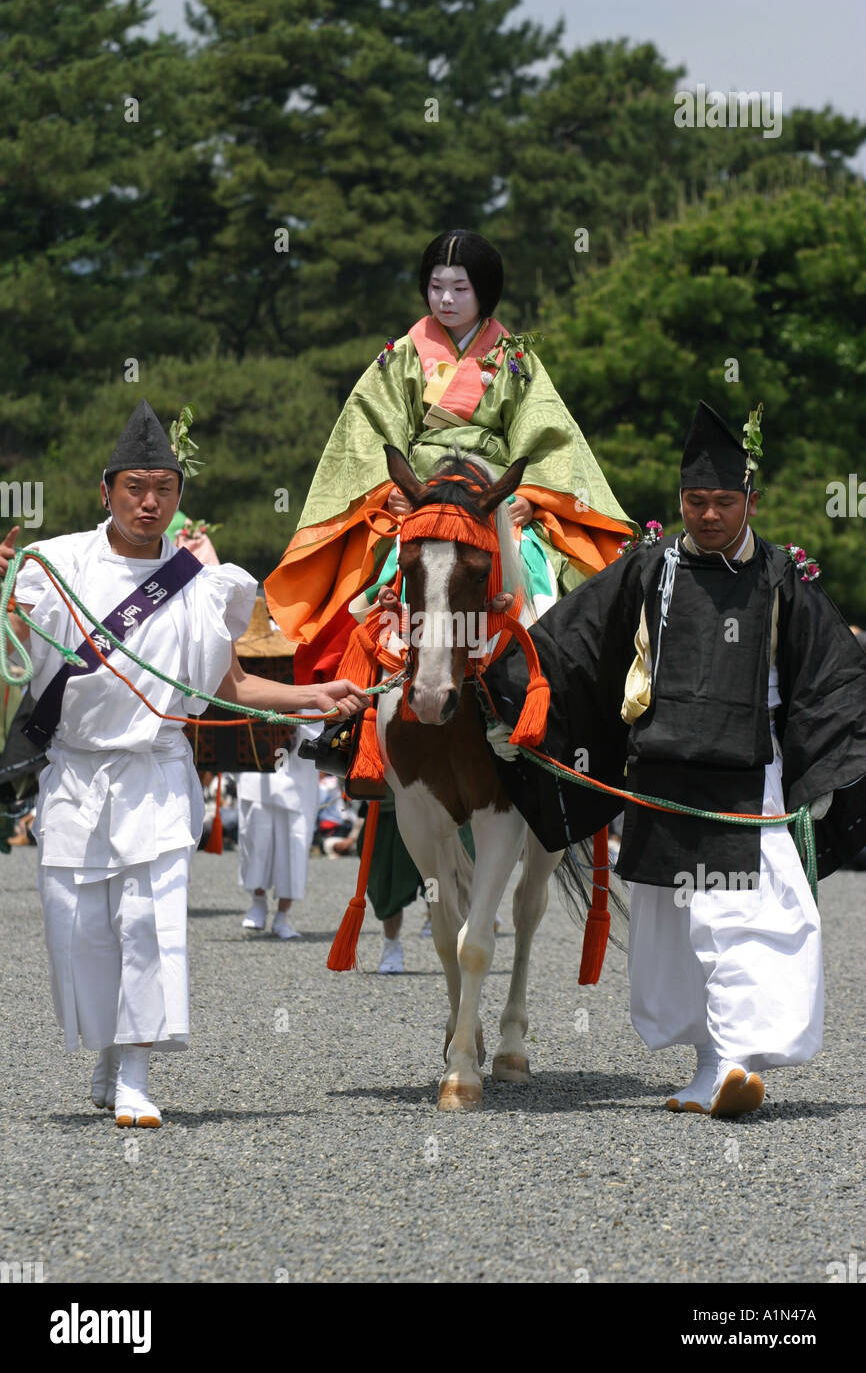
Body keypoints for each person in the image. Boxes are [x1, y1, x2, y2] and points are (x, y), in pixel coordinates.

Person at [264, 229, 632, 973]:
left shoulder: (515, 361)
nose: (444, 297)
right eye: (435, 284)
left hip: (495, 508)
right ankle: (354, 724)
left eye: (458, 287)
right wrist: (398, 499)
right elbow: (365, 442)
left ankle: (554, 717)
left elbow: (551, 444)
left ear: (484, 293)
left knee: (543, 603)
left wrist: (527, 498)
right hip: (421, 503)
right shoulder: (399, 358)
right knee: (375, 601)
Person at [484, 400, 866, 1117]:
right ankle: (708, 1069)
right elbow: (574, 643)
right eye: (696, 501)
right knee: (676, 932)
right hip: (661, 777)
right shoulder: (650, 570)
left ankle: (735, 1061)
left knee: (747, 920)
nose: (710, 515)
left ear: (751, 500)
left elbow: (834, 675)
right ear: (680, 500)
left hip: (750, 779)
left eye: (724, 501)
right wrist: (517, 699)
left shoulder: (785, 578)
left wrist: (823, 771)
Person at [0, 399, 368, 1129]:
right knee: (78, 926)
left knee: (149, 924)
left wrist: (311, 694)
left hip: (156, 775)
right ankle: (107, 1050)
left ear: (178, 494)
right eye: (134, 487)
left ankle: (134, 1074)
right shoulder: (55, 565)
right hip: (75, 774)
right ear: (106, 490)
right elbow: (18, 652)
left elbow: (225, 687)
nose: (149, 501)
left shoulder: (200, 582)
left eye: (163, 488)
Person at [237, 727, 320, 940]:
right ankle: (257, 902)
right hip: (260, 761)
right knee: (255, 835)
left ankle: (283, 915)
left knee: (295, 842)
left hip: (299, 768)